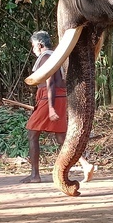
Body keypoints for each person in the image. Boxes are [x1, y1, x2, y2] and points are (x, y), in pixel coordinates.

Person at [22, 31, 95, 184]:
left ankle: (35, 175)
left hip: (50, 99)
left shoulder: (46, 57)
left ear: (40, 45)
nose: (33, 49)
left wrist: (50, 108)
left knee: (32, 134)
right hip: (58, 97)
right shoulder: (54, 56)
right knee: (61, 137)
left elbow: (50, 82)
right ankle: (85, 164)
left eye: (33, 46)